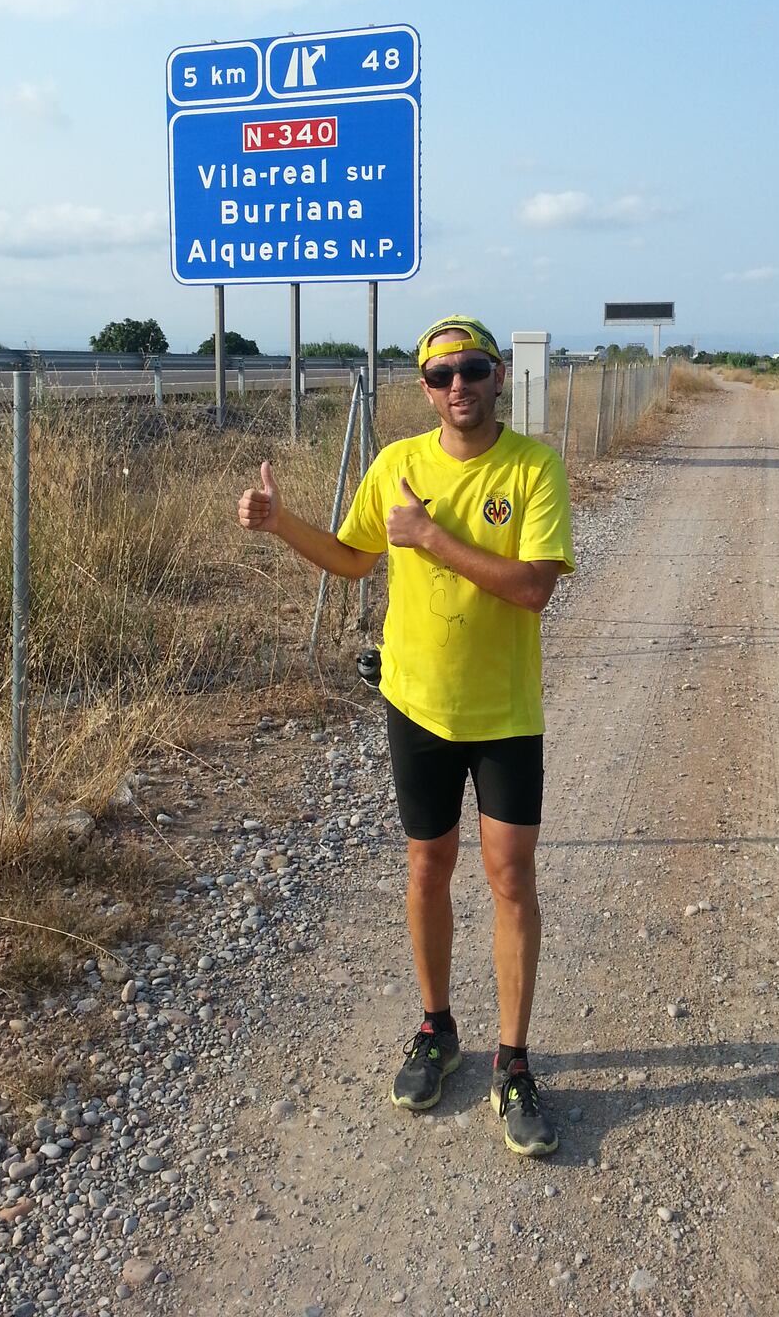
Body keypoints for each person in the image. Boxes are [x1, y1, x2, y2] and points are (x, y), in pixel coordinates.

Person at [236, 315, 574, 1156]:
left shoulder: (533, 467)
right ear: (423, 389)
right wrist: (283, 525)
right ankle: (436, 1029)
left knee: (510, 875)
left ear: (499, 378)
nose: (457, 384)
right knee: (427, 865)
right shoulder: (396, 465)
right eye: (439, 374)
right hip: (416, 705)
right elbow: (353, 559)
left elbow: (533, 589)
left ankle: (515, 1060)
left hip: (502, 714)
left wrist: (429, 538)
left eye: (472, 368)